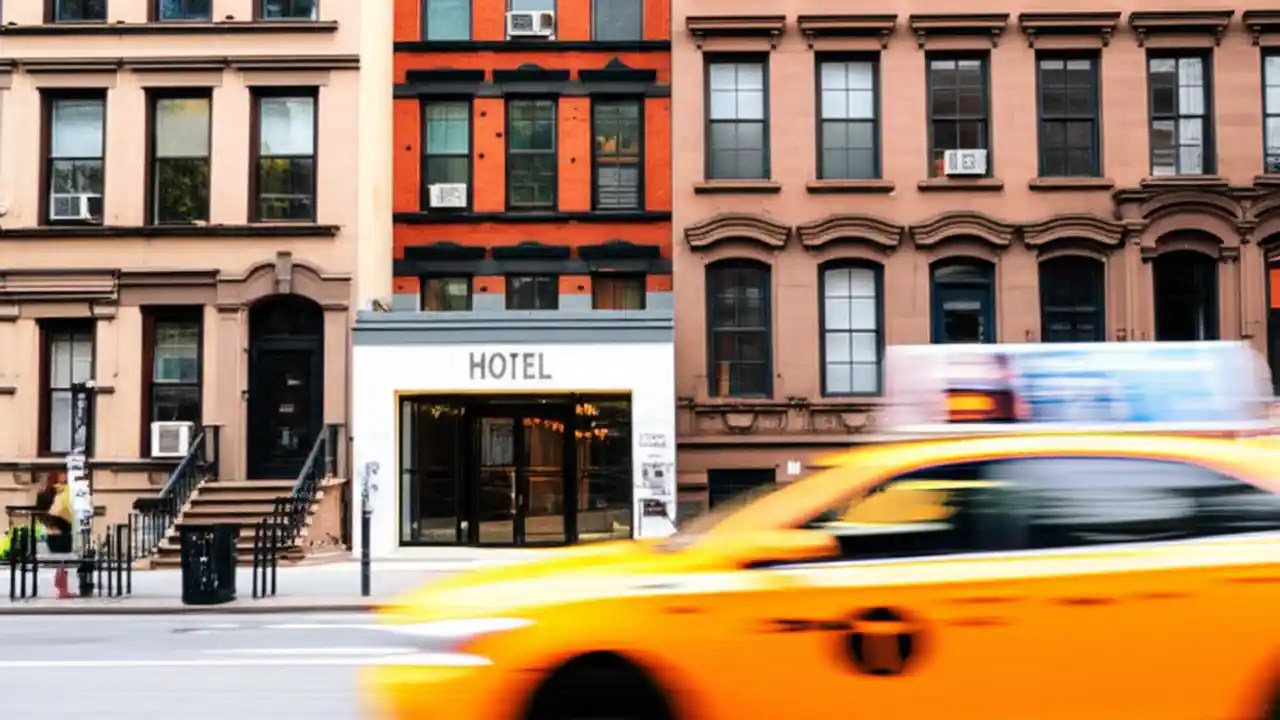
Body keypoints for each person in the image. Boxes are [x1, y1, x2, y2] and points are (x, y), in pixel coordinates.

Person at [33, 471, 75, 598]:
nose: (65, 477)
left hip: (62, 526)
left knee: (63, 562)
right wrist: (50, 525)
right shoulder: (55, 493)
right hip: (57, 528)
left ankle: (63, 587)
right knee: (62, 560)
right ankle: (62, 588)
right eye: (62, 474)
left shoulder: (65, 491)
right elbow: (43, 512)